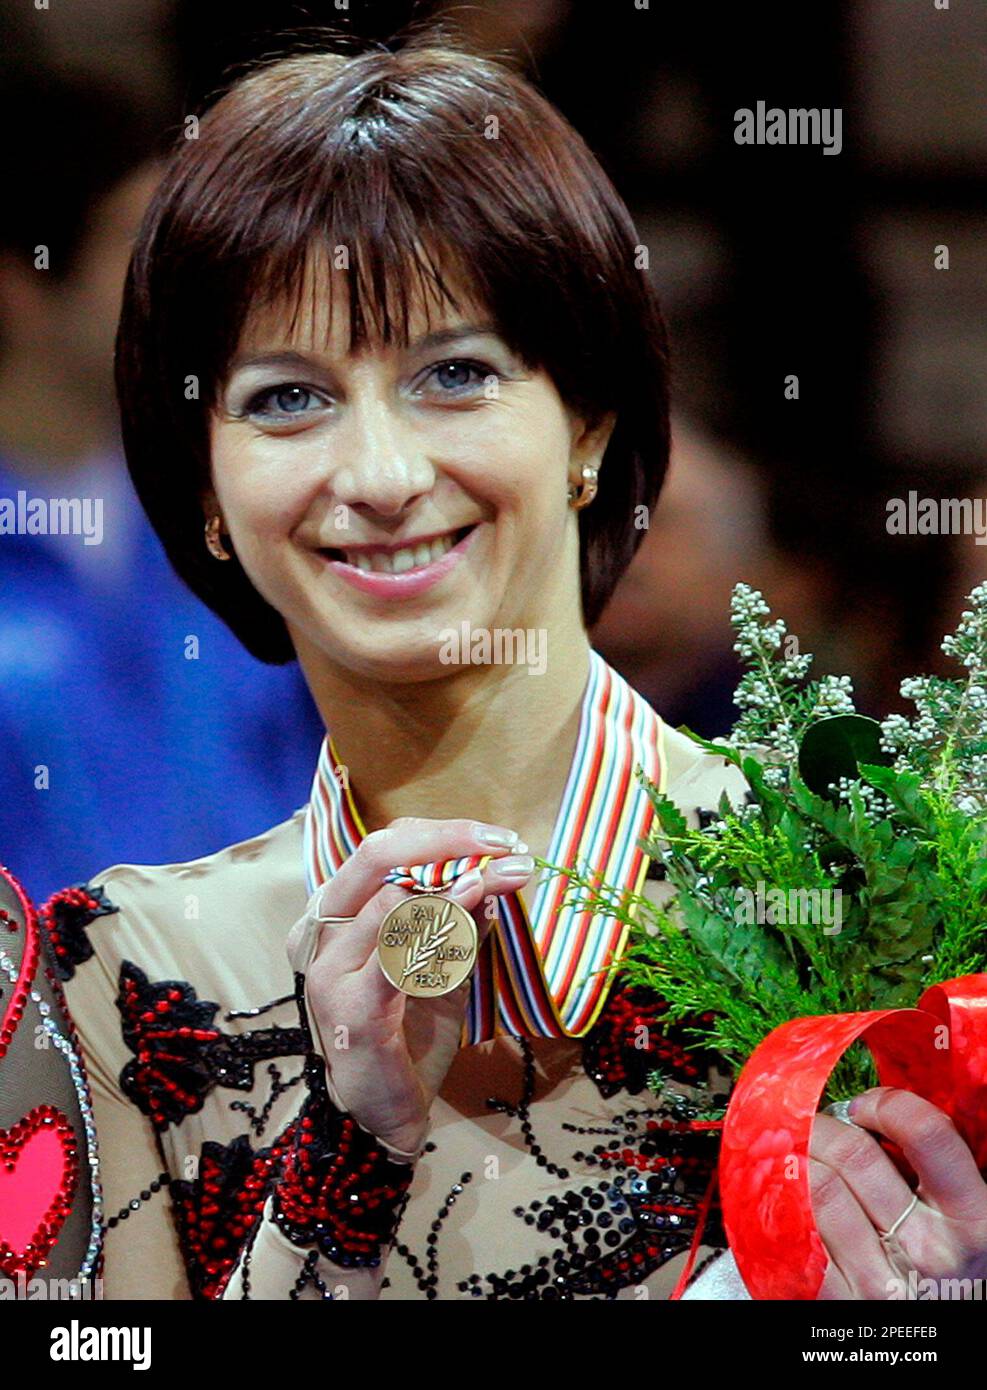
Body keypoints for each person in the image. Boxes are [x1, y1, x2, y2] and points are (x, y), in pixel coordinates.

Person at [59, 35, 987, 1301]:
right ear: (206, 491)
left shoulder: (893, 906)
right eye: (286, 398)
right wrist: (336, 1188)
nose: (380, 477)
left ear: (589, 426)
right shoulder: (119, 985)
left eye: (455, 375)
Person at [0, 73, 323, 900]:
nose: (177, 288)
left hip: (293, 1003)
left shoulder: (249, 494)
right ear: (22, 289)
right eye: (136, 249)